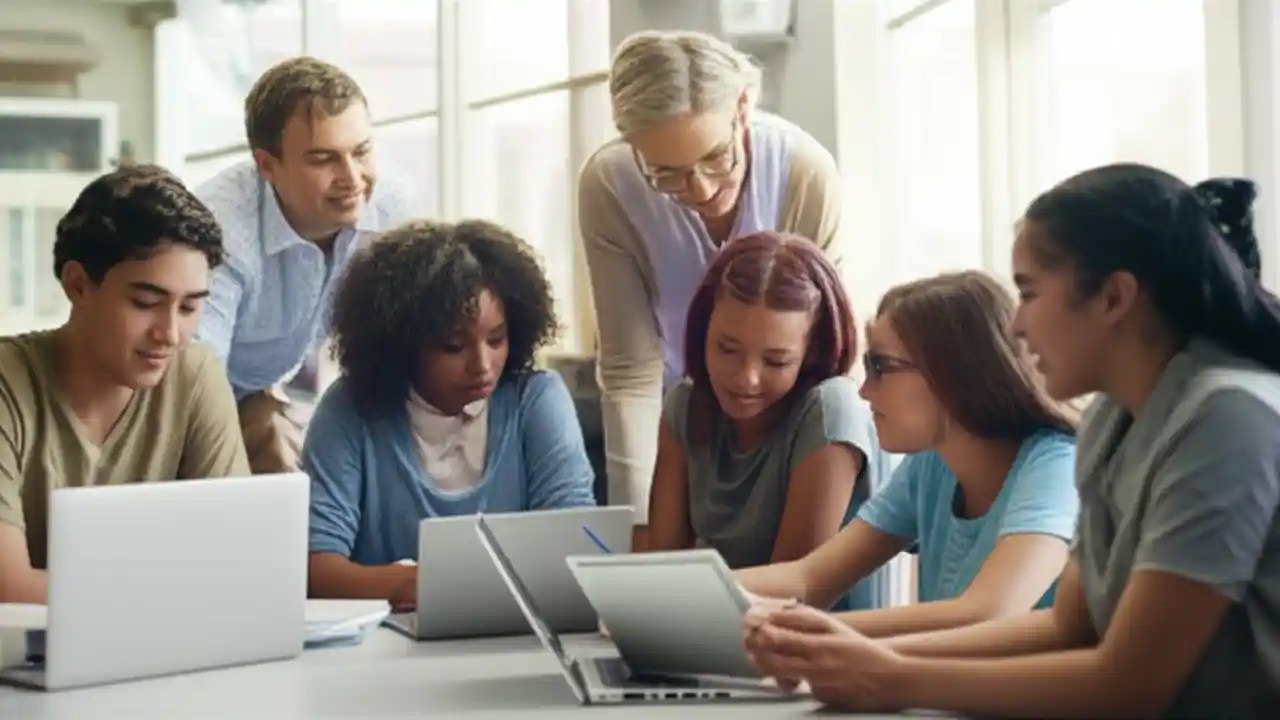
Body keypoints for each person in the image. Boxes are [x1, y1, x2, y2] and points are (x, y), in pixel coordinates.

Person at [744, 165, 1280, 719]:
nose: (1017, 325)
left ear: (1114, 296)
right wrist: (843, 657)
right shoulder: (1111, 420)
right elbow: (1069, 627)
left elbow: (1131, 684)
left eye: (1029, 292)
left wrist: (890, 676)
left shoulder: (1227, 415)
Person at [580, 30, 846, 541]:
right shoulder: (609, 186)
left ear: (743, 106)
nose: (699, 189)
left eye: (715, 156)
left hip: (792, 427)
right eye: (666, 174)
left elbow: (828, 356)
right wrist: (638, 523)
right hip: (684, 427)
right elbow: (630, 370)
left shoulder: (804, 173)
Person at [736, 271, 1077, 635]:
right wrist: (679, 593)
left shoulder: (1057, 465)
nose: (864, 390)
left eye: (880, 367)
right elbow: (810, 579)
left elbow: (988, 612)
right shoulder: (931, 463)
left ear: (953, 373)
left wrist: (801, 630)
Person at [303, 220, 598, 609]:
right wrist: (408, 585)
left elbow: (575, 541)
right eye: (452, 345)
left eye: (497, 340)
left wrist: (442, 583)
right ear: (401, 344)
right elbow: (315, 568)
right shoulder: (349, 410)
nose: (482, 365)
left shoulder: (536, 399)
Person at [0, 164, 249, 604]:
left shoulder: (194, 377)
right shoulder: (10, 384)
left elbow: (236, 565)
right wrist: (171, 594)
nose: (170, 333)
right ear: (77, 284)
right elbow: (10, 588)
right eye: (146, 303)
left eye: (190, 308)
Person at [194, 56, 419, 475]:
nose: (352, 178)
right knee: (263, 467)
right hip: (180, 392)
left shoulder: (391, 209)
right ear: (267, 166)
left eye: (362, 151)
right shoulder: (218, 228)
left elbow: (407, 346)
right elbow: (195, 380)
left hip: (265, 387)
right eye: (323, 159)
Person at [646, 231, 887, 610]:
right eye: (726, 349)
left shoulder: (830, 409)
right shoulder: (685, 404)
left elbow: (791, 594)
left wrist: (669, 597)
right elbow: (662, 563)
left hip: (810, 654)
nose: (746, 378)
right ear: (701, 331)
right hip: (710, 637)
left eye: (776, 361)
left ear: (811, 355)